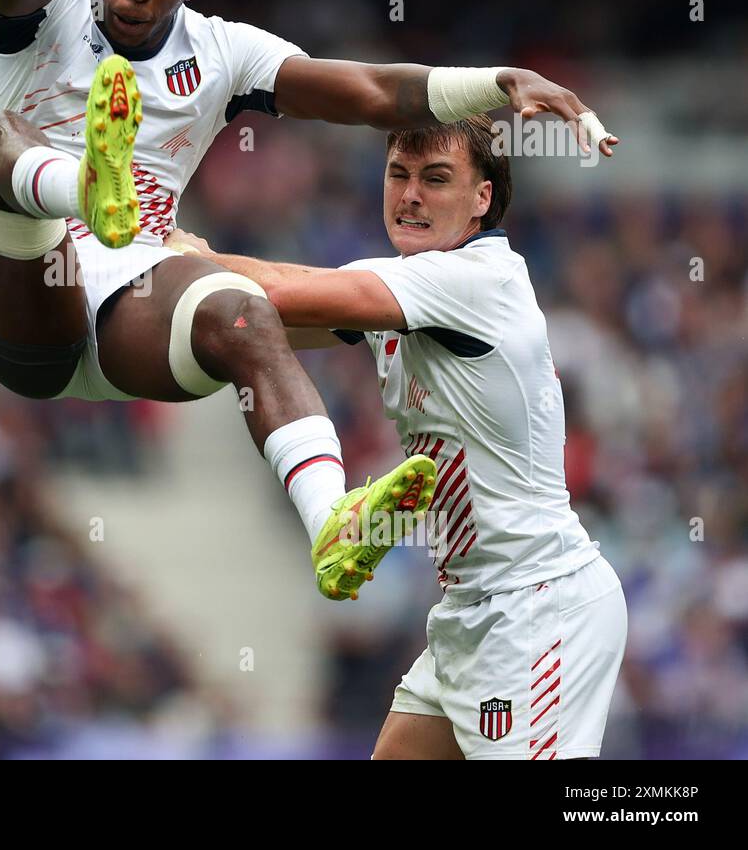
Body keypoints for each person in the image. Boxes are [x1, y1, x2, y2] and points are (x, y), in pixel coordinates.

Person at [0, 0, 618, 584]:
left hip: (126, 297)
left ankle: (332, 519)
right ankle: (87, 186)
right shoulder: (53, 2)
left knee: (242, 311)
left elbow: (367, 90)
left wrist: (495, 83)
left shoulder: (224, 52)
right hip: (19, 283)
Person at [167, 115, 627, 760]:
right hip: (471, 606)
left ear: (483, 198)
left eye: (436, 179)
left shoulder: (470, 279)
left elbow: (275, 289)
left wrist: (176, 250)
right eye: (399, 174)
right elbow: (261, 318)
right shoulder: (412, 286)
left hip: (537, 606)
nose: (410, 194)